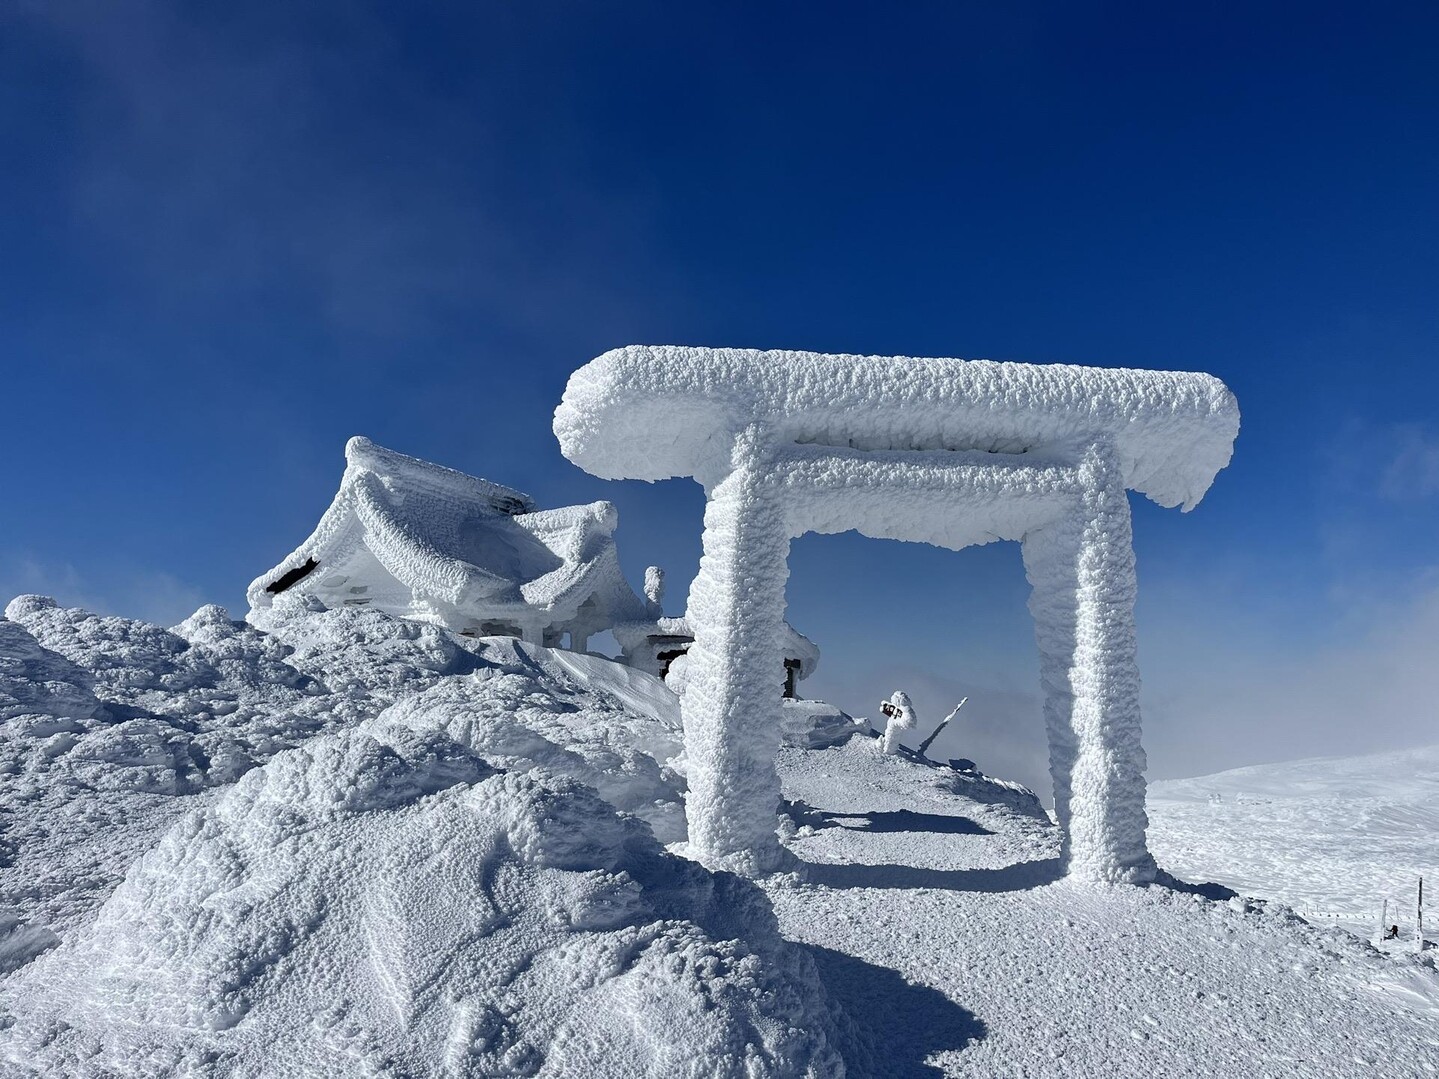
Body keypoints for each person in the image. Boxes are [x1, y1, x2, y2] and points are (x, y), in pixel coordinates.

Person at [879, 690, 917, 755]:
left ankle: (889, 751)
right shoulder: (896, 708)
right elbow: (888, 707)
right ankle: (885, 748)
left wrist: (899, 722)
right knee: (889, 735)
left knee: (893, 737)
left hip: (895, 729)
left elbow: (909, 721)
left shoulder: (906, 709)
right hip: (891, 727)